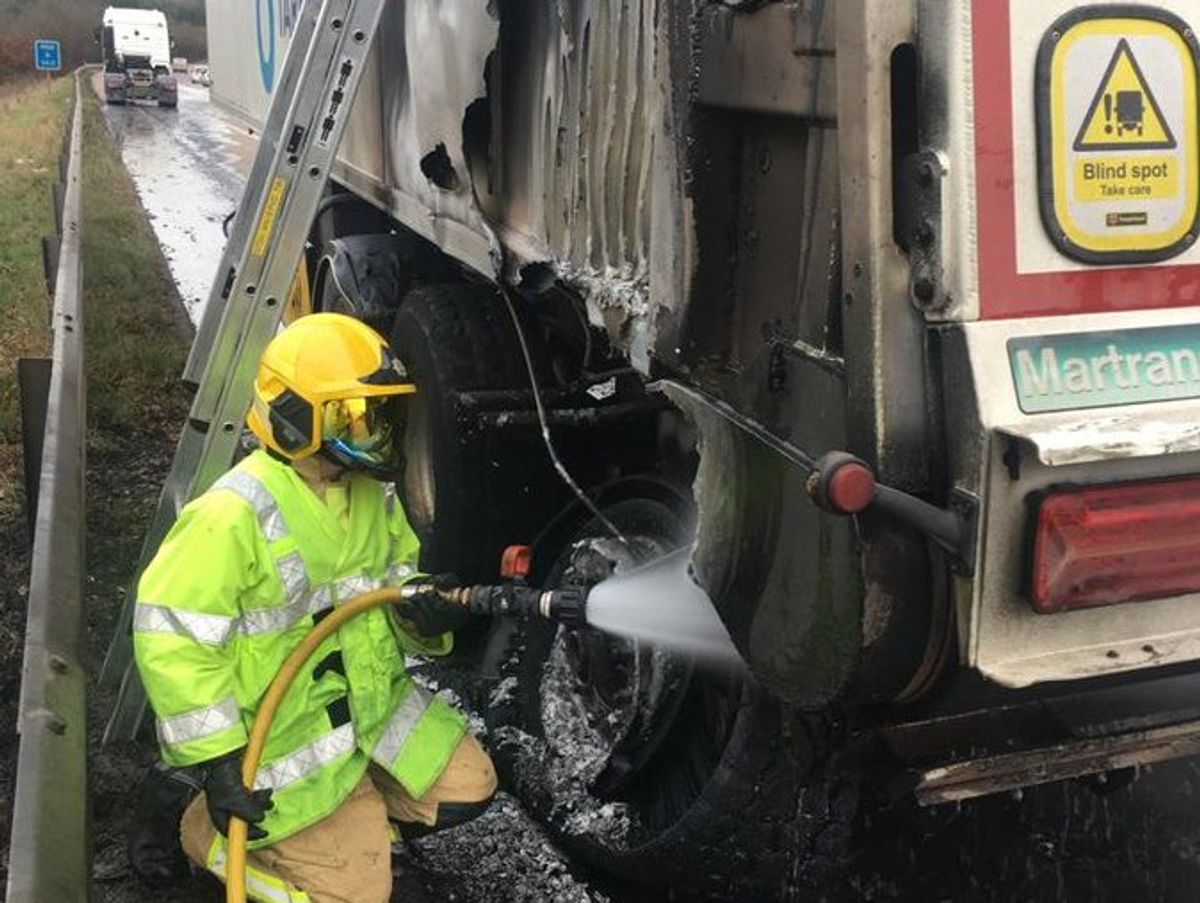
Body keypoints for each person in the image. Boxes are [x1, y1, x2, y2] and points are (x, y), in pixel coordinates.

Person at [133, 313, 497, 902]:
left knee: (470, 786)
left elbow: (397, 583)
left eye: (385, 418)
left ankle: (356, 832)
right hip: (279, 744)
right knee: (358, 897)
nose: (381, 435)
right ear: (299, 420)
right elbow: (173, 637)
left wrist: (424, 615)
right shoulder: (232, 515)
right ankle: (200, 827)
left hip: (367, 715)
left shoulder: (371, 496)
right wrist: (220, 761)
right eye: (357, 419)